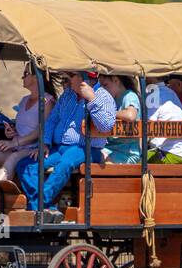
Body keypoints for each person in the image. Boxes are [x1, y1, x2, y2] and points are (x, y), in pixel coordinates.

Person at [16, 70, 117, 219]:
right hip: (60, 147)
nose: (67, 81)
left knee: (65, 164)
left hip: (87, 148)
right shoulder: (68, 95)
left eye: (71, 76)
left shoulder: (103, 96)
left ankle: (36, 205)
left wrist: (92, 99)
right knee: (26, 165)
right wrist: (45, 143)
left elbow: (106, 126)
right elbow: (52, 120)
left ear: (84, 78)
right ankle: (47, 206)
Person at [0, 65, 55, 182]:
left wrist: (14, 142)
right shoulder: (24, 100)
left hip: (33, 149)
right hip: (17, 146)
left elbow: (39, 131)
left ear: (36, 77)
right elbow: (23, 127)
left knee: (13, 158)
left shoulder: (47, 102)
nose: (22, 77)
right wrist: (12, 132)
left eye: (25, 74)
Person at [144, 80, 182, 164]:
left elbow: (147, 124)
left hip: (169, 153)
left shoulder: (153, 91)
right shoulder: (171, 92)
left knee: (134, 164)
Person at [100, 74, 141, 164]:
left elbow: (131, 115)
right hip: (110, 149)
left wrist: (109, 113)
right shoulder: (112, 99)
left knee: (100, 160)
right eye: (101, 86)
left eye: (105, 85)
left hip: (127, 152)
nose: (103, 89)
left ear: (116, 80)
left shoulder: (129, 95)